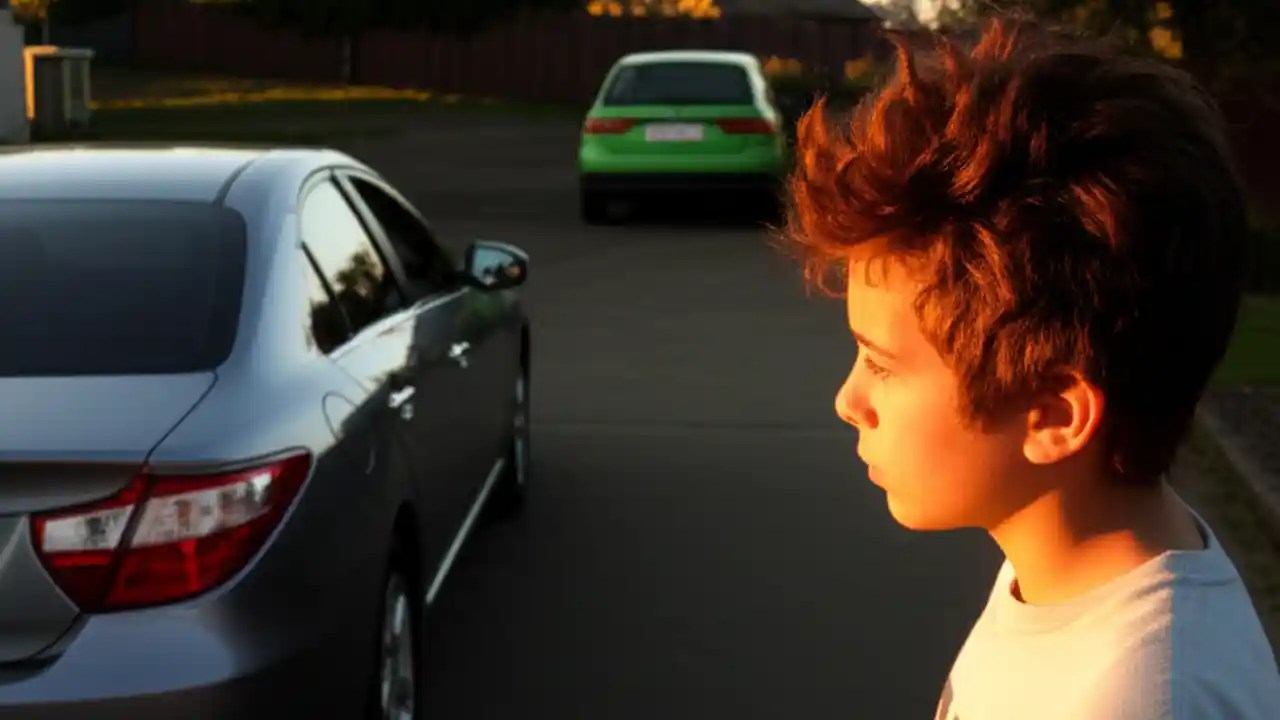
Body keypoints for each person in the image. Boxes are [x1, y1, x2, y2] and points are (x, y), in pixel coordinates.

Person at [781, 13, 1280, 720]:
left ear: (1054, 414)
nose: (848, 399)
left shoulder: (1139, 699)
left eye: (881, 364)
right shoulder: (1066, 573)